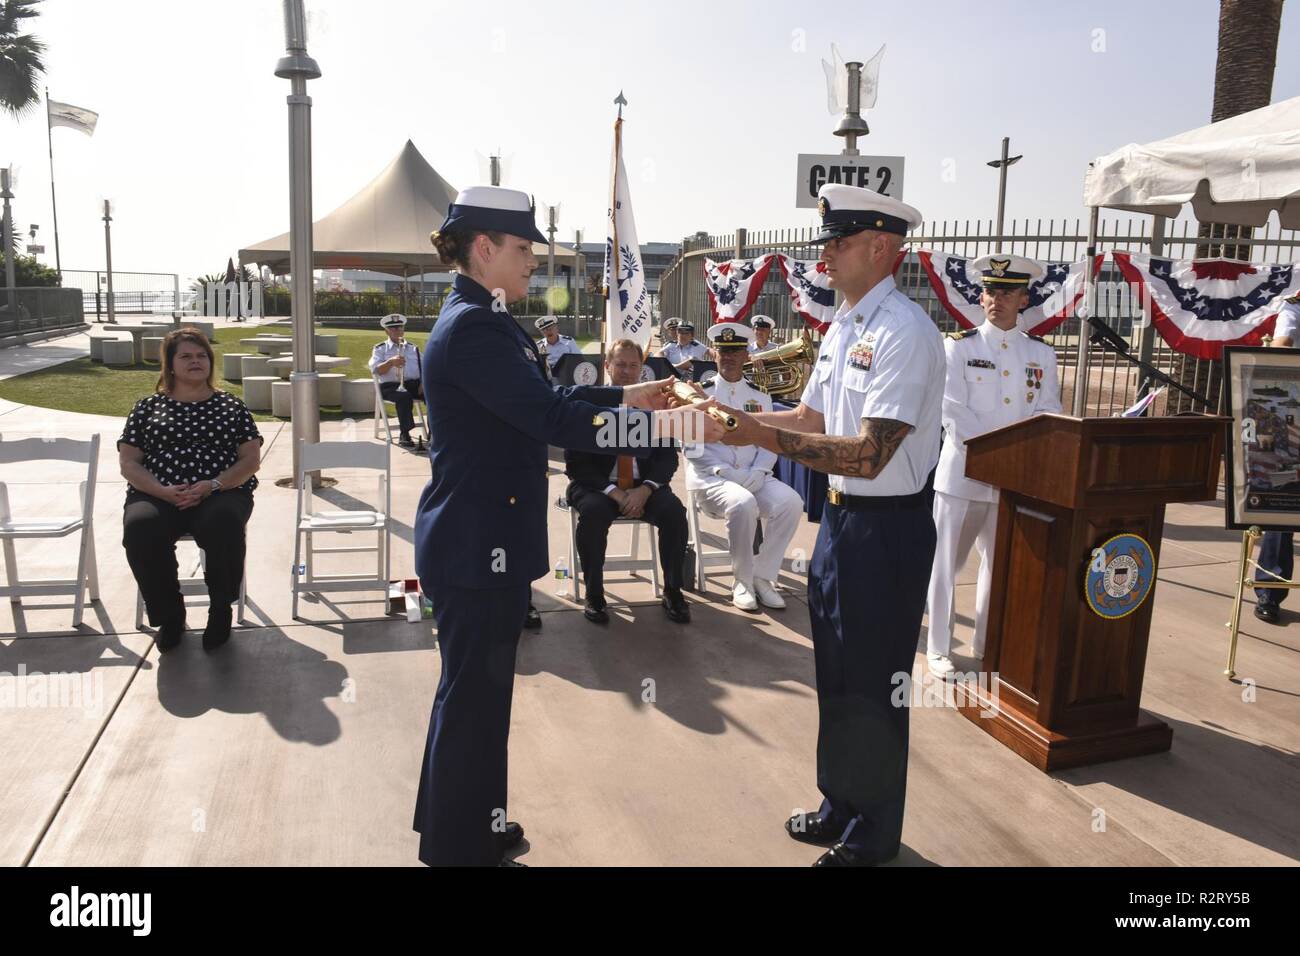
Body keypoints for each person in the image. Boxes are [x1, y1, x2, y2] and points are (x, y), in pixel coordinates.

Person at [412, 185, 724, 867]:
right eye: (524, 249)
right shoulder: (474, 328)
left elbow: (549, 398)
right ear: (485, 248)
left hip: (479, 539)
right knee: (473, 701)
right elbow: (552, 420)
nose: (533, 262)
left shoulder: (485, 318)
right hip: (475, 545)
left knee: (478, 699)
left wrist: (627, 394)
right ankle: (457, 847)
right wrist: (665, 420)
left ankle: (465, 824)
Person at [701, 183, 941, 866]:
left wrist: (758, 435)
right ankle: (840, 800)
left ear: (879, 247)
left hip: (887, 529)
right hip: (838, 527)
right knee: (836, 675)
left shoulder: (907, 334)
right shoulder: (845, 326)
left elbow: (868, 454)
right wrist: (725, 418)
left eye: (836, 243)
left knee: (874, 684)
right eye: (826, 243)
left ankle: (874, 833)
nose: (825, 255)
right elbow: (807, 422)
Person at [925, 255, 1062, 678]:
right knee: (946, 563)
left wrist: (1020, 463)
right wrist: (995, 456)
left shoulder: (1041, 354)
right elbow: (952, 408)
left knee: (1000, 565)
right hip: (964, 475)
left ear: (1024, 299)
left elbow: (1049, 410)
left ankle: (988, 642)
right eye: (989, 291)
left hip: (1012, 481)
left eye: (1006, 292)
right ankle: (938, 647)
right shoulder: (960, 346)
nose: (995, 300)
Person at [118, 327, 263, 653]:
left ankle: (220, 609)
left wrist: (213, 484)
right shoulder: (147, 408)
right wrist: (162, 491)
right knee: (141, 528)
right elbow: (129, 463)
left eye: (201, 356)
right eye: (186, 356)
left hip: (222, 491)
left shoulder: (231, 406)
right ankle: (170, 615)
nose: (195, 362)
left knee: (223, 523)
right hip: (158, 493)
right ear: (170, 365)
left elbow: (250, 460)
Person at [565, 339, 692, 624]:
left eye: (633, 365)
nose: (626, 371)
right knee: (594, 514)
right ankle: (595, 595)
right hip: (597, 486)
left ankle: (673, 591)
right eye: (620, 364)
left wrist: (645, 490)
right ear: (607, 367)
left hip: (642, 486)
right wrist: (616, 493)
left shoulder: (654, 406)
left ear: (641, 369)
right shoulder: (589, 404)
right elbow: (577, 465)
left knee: (674, 513)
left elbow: (667, 459)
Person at [684, 321, 803, 612]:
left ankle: (763, 577)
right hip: (711, 479)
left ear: (746, 354)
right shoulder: (702, 394)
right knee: (742, 503)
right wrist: (724, 472)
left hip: (753, 476)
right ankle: (741, 582)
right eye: (724, 351)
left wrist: (759, 471)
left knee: (792, 502)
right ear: (715, 353)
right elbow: (690, 446)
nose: (729, 357)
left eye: (735, 351)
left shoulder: (760, 396)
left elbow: (768, 440)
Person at [1254, 291, 1300, 624]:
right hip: (1294, 416)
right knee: (1281, 501)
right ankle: (1270, 590)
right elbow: (1282, 345)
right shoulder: (1296, 306)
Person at [368, 313, 424, 447]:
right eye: (393, 328)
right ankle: (405, 434)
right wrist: (390, 362)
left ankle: (435, 432)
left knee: (434, 394)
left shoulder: (413, 348)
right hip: (390, 386)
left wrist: (423, 383)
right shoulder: (380, 349)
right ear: (386, 330)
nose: (397, 331)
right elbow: (375, 370)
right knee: (403, 397)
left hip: (414, 384)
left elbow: (426, 367)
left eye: (400, 328)